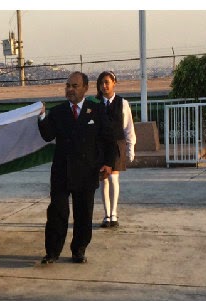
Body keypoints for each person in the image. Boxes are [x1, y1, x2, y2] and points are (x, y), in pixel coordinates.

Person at [38, 71, 115, 264]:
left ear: (85, 88)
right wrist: (40, 117)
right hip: (62, 172)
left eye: (74, 86)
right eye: (68, 86)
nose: (70, 90)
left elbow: (108, 139)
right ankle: (52, 252)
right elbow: (47, 135)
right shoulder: (58, 112)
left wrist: (108, 163)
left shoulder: (96, 111)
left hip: (87, 171)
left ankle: (78, 250)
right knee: (57, 213)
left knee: (83, 214)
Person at [96, 70, 136, 229]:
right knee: (104, 180)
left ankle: (114, 213)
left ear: (114, 83)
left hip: (116, 144)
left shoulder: (122, 103)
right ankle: (106, 215)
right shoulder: (95, 103)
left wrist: (130, 146)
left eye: (107, 82)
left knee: (114, 179)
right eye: (101, 83)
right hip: (100, 146)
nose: (104, 86)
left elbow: (128, 126)